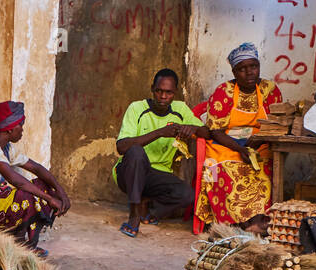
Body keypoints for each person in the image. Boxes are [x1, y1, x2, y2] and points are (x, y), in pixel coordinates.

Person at [0, 100, 70, 255]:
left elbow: (36, 168)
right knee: (26, 195)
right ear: (9, 129)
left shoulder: (7, 148)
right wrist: (49, 199)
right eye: (20, 125)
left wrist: (60, 191)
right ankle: (21, 244)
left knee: (43, 187)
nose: (22, 130)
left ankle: (26, 244)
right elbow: (15, 180)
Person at [196, 43, 285, 230]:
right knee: (221, 168)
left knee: (263, 167)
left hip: (258, 142)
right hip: (226, 144)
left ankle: (258, 220)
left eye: (253, 66)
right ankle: (233, 222)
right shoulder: (224, 92)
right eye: (242, 69)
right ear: (234, 72)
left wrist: (255, 144)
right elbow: (215, 131)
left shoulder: (269, 90)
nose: (249, 72)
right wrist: (240, 149)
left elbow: (276, 125)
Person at [113, 69, 206, 238]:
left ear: (175, 93)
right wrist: (159, 132)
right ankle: (134, 215)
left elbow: (207, 132)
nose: (163, 96)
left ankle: (148, 206)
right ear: (152, 89)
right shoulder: (137, 108)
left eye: (168, 92)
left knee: (188, 195)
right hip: (129, 173)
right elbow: (121, 147)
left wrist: (192, 128)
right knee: (135, 151)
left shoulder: (180, 109)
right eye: (159, 91)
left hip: (157, 176)